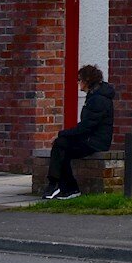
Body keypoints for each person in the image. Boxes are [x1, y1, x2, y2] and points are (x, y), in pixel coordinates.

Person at [43, 65, 115, 199]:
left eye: (79, 79)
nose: (78, 83)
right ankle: (65, 187)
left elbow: (86, 127)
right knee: (61, 147)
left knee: (61, 145)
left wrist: (61, 133)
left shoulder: (98, 100)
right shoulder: (94, 96)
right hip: (90, 139)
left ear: (87, 81)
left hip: (95, 142)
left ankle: (61, 186)